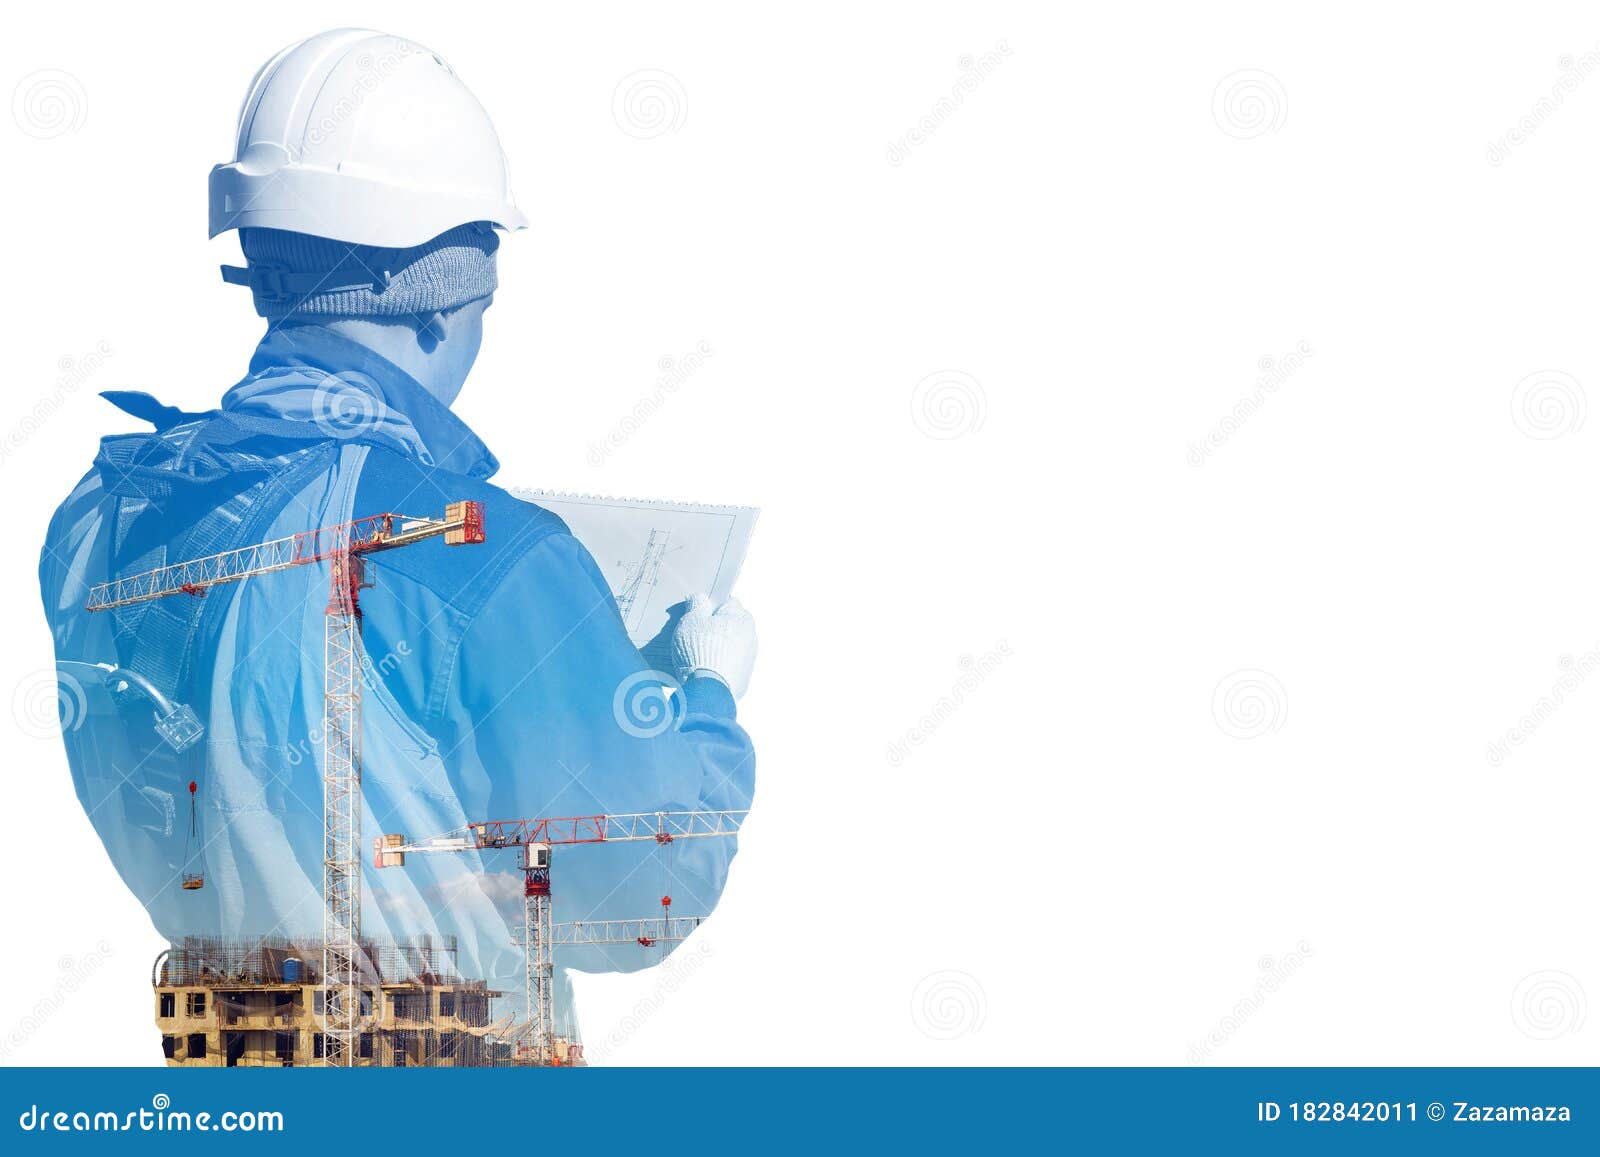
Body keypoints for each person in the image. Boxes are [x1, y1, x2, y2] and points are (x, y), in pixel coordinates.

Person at [35, 28, 756, 1056]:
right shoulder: (489, 555)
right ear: (440, 305)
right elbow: (643, 888)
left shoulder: (101, 518)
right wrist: (698, 698)